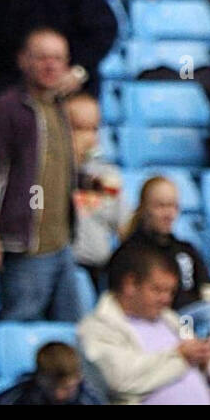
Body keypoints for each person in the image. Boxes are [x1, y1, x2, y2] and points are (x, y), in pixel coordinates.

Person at [0, 28, 87, 321]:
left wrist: (86, 181)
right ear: (24, 61)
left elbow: (51, 165)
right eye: (42, 58)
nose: (51, 66)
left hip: (61, 244)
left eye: (58, 59)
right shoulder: (6, 109)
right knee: (20, 325)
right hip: (24, 247)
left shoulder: (58, 107)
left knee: (71, 333)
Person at [77, 240, 210, 405]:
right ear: (130, 284)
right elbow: (120, 380)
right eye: (157, 290)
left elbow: (192, 348)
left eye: (170, 292)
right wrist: (180, 357)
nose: (166, 299)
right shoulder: (97, 327)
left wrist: (204, 357)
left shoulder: (172, 318)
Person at [120, 176, 210, 329]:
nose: (169, 214)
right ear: (143, 208)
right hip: (153, 321)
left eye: (174, 207)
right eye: (161, 206)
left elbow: (208, 287)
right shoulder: (130, 252)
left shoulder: (185, 249)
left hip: (187, 321)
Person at [67, 93, 122, 285]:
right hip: (64, 265)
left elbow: (124, 225)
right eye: (79, 129)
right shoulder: (49, 174)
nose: (89, 138)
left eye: (94, 129)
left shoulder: (108, 175)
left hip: (99, 268)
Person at [0, 341, 105, 406]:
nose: (59, 395)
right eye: (51, 387)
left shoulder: (91, 402)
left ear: (79, 378)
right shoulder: (10, 401)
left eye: (67, 388)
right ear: (38, 377)